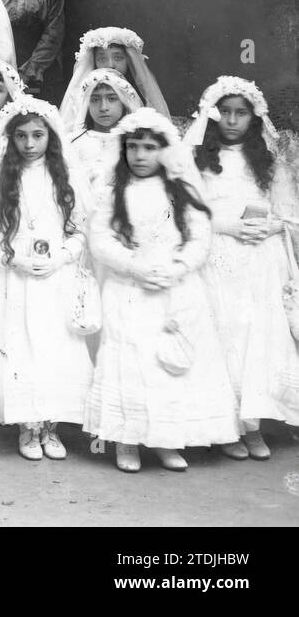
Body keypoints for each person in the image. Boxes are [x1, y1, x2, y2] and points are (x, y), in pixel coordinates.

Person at [84, 108, 238, 472]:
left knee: (168, 367)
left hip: (175, 289)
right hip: (130, 288)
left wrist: (178, 266)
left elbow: (200, 236)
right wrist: (133, 265)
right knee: (132, 363)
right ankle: (127, 440)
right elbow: (100, 239)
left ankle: (166, 440)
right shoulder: (114, 192)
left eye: (149, 147)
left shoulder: (179, 191)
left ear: (164, 150)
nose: (140, 155)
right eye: (133, 147)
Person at [0, 97, 94, 461]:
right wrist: (11, 257)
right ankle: (27, 425)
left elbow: (80, 231)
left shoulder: (67, 179)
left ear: (51, 137)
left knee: (53, 347)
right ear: (11, 139)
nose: (29, 144)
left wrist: (61, 257)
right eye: (22, 137)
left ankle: (51, 425)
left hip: (56, 277)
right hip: (15, 278)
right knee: (20, 348)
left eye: (38, 136)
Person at [188, 77, 299, 458]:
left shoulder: (267, 159)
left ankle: (254, 425)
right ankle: (230, 426)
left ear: (254, 117)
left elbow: (286, 209)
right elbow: (188, 210)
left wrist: (270, 225)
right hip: (217, 251)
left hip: (259, 256)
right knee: (225, 334)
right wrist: (227, 226)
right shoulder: (199, 158)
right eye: (226, 113)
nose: (233, 120)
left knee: (257, 335)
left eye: (241, 113)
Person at [59, 26, 170, 130]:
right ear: (93, 61)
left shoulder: (140, 94)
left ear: (128, 60)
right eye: (102, 59)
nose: (110, 65)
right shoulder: (84, 95)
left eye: (118, 58)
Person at [65, 69, 144, 189]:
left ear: (123, 102)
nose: (103, 107)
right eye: (95, 100)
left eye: (112, 99)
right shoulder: (73, 142)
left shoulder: (134, 142)